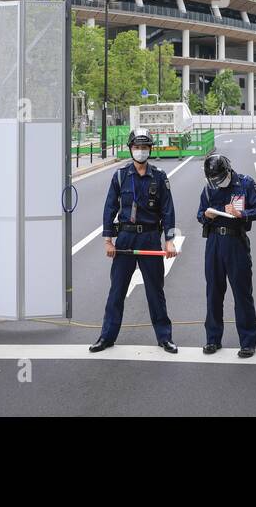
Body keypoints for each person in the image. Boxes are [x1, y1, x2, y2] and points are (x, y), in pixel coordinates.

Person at [90, 128, 179, 354]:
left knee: (155, 291)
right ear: (130, 149)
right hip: (125, 240)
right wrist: (108, 241)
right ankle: (107, 337)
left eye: (145, 147)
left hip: (150, 238)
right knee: (117, 290)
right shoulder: (120, 176)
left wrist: (169, 240)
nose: (141, 151)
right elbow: (110, 208)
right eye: (137, 147)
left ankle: (164, 337)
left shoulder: (159, 177)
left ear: (150, 149)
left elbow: (168, 211)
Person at [196, 151, 256, 358]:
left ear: (228, 171)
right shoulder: (209, 188)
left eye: (219, 178)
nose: (217, 182)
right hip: (214, 242)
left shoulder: (245, 183)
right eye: (213, 179)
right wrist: (206, 215)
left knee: (242, 294)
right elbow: (199, 214)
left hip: (236, 242)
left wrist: (242, 213)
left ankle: (247, 342)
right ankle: (213, 339)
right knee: (214, 293)